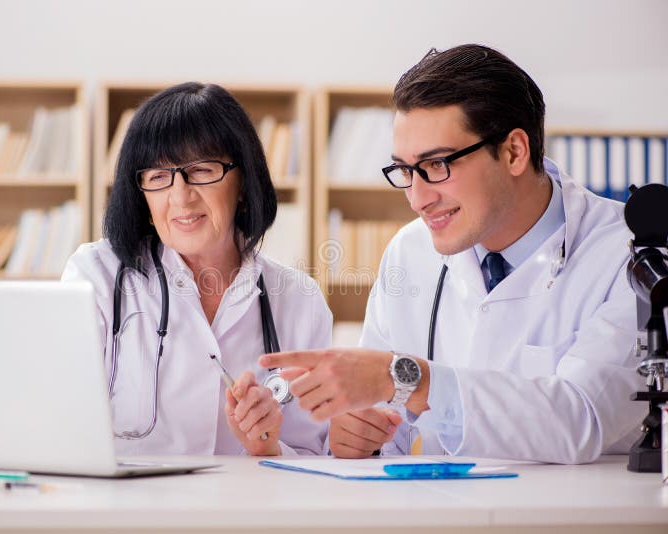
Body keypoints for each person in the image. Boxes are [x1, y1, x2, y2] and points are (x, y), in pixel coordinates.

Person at [260, 44, 644, 464]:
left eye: (437, 165)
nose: (417, 198)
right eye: (404, 171)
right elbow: (385, 420)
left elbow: (580, 419)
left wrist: (412, 379)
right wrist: (361, 434)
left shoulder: (632, 256)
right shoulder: (409, 251)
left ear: (515, 151)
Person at [62, 82, 331, 456]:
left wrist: (268, 447)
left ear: (243, 182)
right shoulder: (97, 276)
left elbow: (314, 458)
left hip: (247, 510)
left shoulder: (299, 301)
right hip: (126, 511)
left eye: (202, 170)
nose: (180, 196)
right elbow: (58, 424)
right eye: (158, 177)